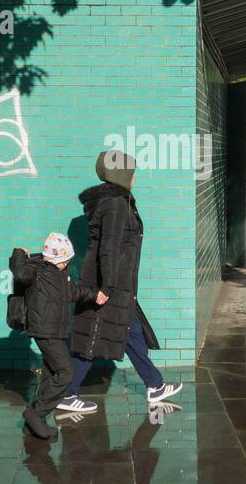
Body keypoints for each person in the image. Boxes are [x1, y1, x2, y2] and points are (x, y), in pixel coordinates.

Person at [56, 149, 182, 414]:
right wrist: (107, 289)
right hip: (111, 285)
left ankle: (155, 384)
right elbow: (108, 249)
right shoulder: (115, 204)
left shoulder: (118, 201)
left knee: (130, 331)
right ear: (121, 174)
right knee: (93, 336)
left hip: (119, 285)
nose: (134, 177)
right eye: (131, 172)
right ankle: (67, 393)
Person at [10, 233, 108, 439]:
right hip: (45, 331)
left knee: (50, 374)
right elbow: (19, 273)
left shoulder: (61, 275)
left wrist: (93, 295)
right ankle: (36, 413)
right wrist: (19, 253)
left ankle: (34, 422)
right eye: (66, 261)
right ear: (58, 259)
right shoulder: (35, 270)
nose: (67, 264)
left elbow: (72, 292)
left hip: (55, 331)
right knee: (65, 374)